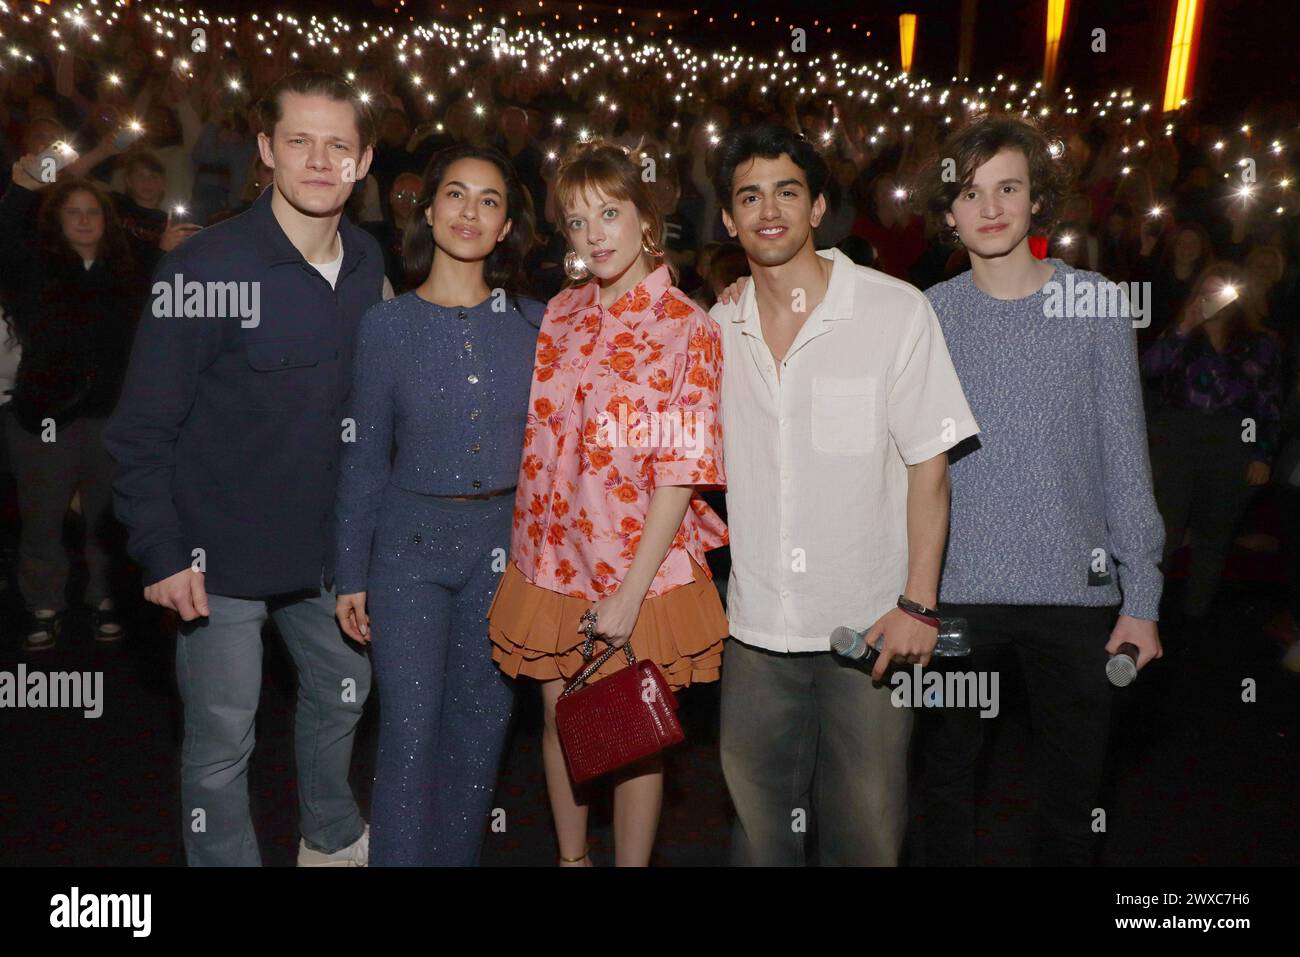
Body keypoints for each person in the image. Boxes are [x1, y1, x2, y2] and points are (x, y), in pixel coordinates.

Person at [103, 71, 385, 867]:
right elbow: (142, 429)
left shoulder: (367, 264)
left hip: (326, 556)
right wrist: (159, 551)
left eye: (339, 145)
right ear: (266, 150)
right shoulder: (203, 270)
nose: (319, 160)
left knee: (345, 694)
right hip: (214, 559)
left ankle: (328, 836)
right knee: (224, 737)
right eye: (300, 141)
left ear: (363, 161)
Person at [711, 124, 977, 866]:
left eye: (787, 192)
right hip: (757, 629)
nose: (770, 210)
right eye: (750, 196)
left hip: (871, 631)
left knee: (866, 837)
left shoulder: (895, 312)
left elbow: (932, 465)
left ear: (819, 206)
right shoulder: (716, 328)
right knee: (759, 840)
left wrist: (919, 603)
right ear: (729, 220)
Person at [913, 114, 1166, 865]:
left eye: (1009, 187)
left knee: (1072, 794)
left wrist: (1142, 596)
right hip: (956, 593)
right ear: (948, 209)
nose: (990, 207)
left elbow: (1125, 457)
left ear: (1036, 200)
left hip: (1077, 595)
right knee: (946, 788)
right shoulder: (925, 315)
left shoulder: (1095, 305)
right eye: (971, 192)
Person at [487, 139, 728, 867]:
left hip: (637, 567)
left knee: (632, 733)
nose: (595, 235)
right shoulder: (560, 312)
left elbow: (683, 469)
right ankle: (571, 860)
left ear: (646, 218)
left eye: (610, 212)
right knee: (564, 719)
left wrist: (626, 594)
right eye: (577, 220)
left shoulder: (690, 326)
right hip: (552, 555)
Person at [333, 144, 544, 865]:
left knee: (481, 731)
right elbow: (362, 456)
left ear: (507, 223)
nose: (471, 212)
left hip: (503, 552)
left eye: (490, 200)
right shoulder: (385, 326)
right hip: (407, 555)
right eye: (457, 194)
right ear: (429, 208)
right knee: (411, 732)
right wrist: (350, 572)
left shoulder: (536, 323)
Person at [1, 171, 142, 651]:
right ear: (56, 220)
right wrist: (21, 191)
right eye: (73, 211)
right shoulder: (33, 270)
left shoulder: (127, 274)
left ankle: (107, 600)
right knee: (42, 520)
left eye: (93, 211)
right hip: (43, 418)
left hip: (111, 420)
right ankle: (44, 606)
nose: (84, 220)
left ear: (107, 220)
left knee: (108, 520)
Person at [1141, 261, 1283, 624]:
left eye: (1220, 293)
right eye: (1206, 291)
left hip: (1231, 441)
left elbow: (1266, 402)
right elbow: (1148, 370)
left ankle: (1194, 616)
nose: (1212, 300)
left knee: (1213, 534)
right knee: (1165, 531)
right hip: (1177, 438)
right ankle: (1142, 613)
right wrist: (1184, 328)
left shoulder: (1258, 343)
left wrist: (1261, 454)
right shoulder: (1182, 336)